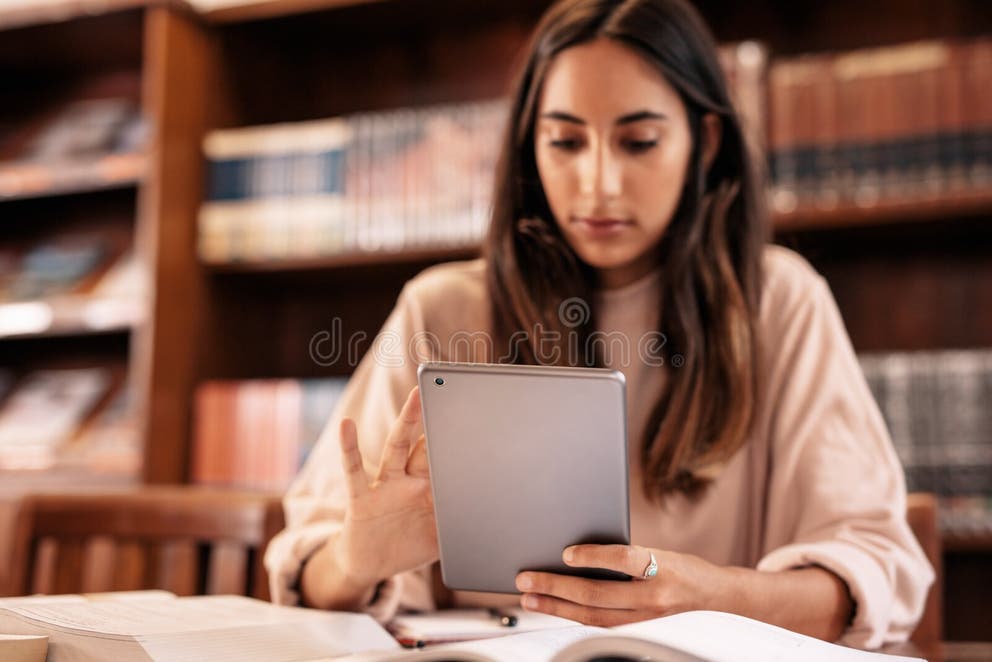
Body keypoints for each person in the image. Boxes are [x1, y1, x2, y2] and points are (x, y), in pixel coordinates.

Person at [264, 0, 932, 648]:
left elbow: (870, 580)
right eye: (565, 141)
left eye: (638, 141)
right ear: (531, 145)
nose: (599, 183)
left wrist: (713, 596)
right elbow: (308, 581)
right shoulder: (439, 309)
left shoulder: (780, 301)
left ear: (705, 142)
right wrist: (356, 558)